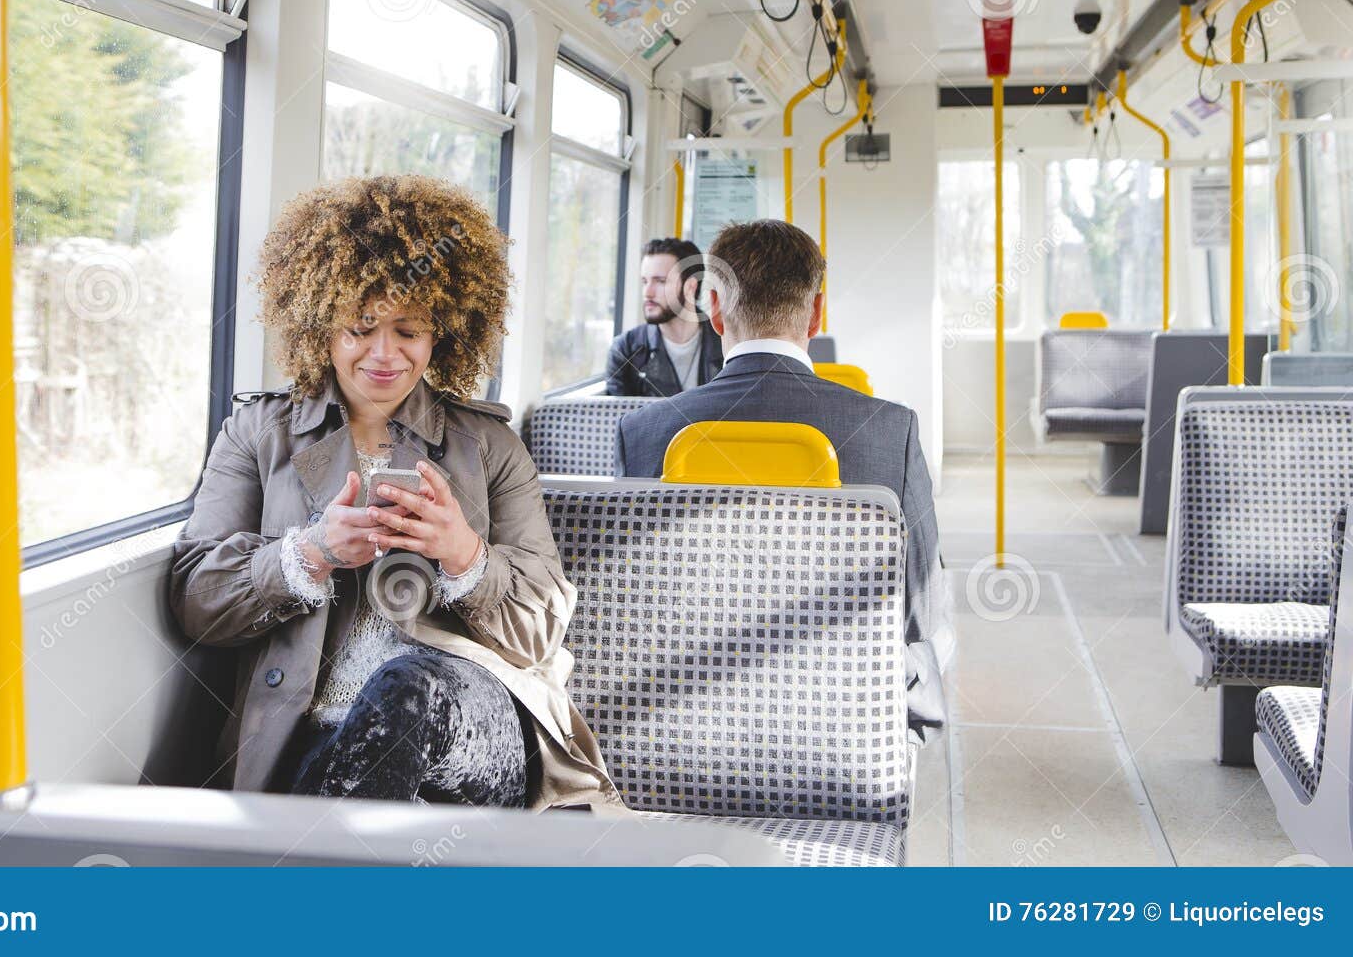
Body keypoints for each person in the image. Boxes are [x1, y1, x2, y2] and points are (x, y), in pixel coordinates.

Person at [170, 174, 621, 811]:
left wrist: (466, 554)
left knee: (406, 686)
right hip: (313, 730)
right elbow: (196, 600)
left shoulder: (490, 446)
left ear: (441, 334)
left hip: (470, 722)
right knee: (353, 764)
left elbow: (538, 634)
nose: (384, 354)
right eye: (359, 328)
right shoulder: (257, 433)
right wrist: (311, 553)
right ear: (321, 327)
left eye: (408, 331)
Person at [614, 219, 950, 741]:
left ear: (716, 311)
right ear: (816, 313)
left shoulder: (645, 432)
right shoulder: (891, 431)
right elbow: (924, 608)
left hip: (681, 720)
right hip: (842, 724)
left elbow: (633, 602)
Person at [603, 238, 724, 396]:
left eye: (660, 281)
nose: (648, 292)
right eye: (644, 281)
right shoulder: (625, 351)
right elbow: (618, 418)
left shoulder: (726, 344)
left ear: (690, 287)